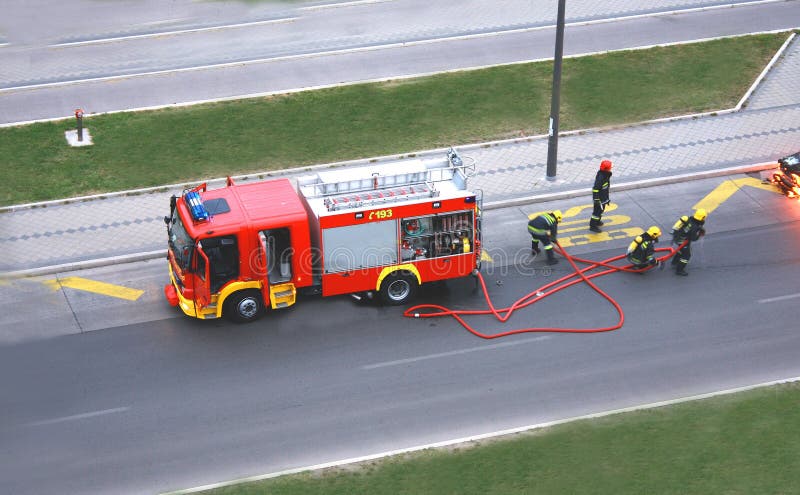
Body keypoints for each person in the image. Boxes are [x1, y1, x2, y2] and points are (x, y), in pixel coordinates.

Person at [670, 208, 707, 276]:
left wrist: (699, 228)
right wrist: (699, 234)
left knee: (681, 250)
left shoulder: (690, 219)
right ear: (702, 217)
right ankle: (679, 270)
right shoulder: (694, 227)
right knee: (686, 255)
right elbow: (693, 238)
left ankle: (675, 262)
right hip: (683, 241)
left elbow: (691, 226)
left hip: (677, 237)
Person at [589, 160, 613, 233]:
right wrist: (596, 200)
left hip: (603, 197)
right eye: (610, 167)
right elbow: (595, 189)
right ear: (606, 169)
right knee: (596, 213)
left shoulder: (605, 174)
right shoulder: (601, 177)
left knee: (601, 211)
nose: (611, 168)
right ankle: (593, 226)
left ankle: (597, 221)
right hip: (599, 199)